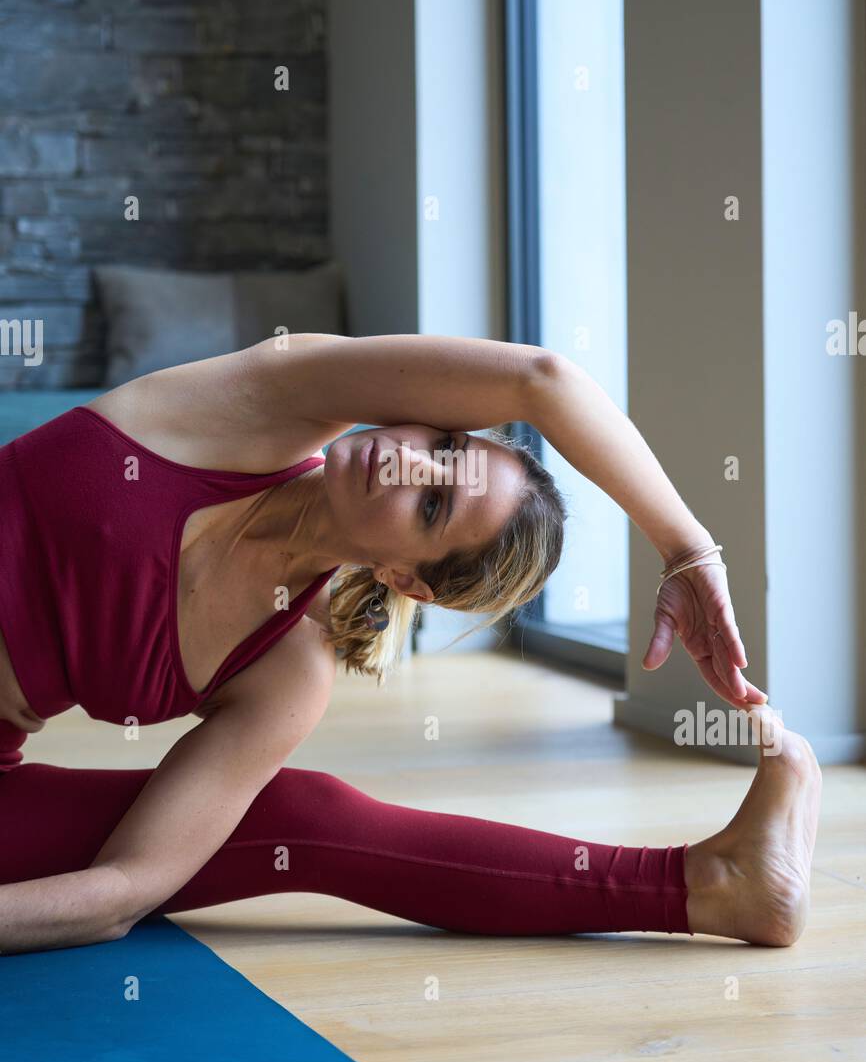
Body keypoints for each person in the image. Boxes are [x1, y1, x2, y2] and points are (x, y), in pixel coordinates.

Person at [0, 334, 821, 955]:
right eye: (447, 449)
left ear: (408, 581)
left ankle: (710, 886)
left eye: (432, 508)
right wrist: (689, 551)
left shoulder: (288, 668)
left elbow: (123, 890)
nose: (405, 462)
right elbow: (542, 381)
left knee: (296, 815)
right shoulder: (255, 404)